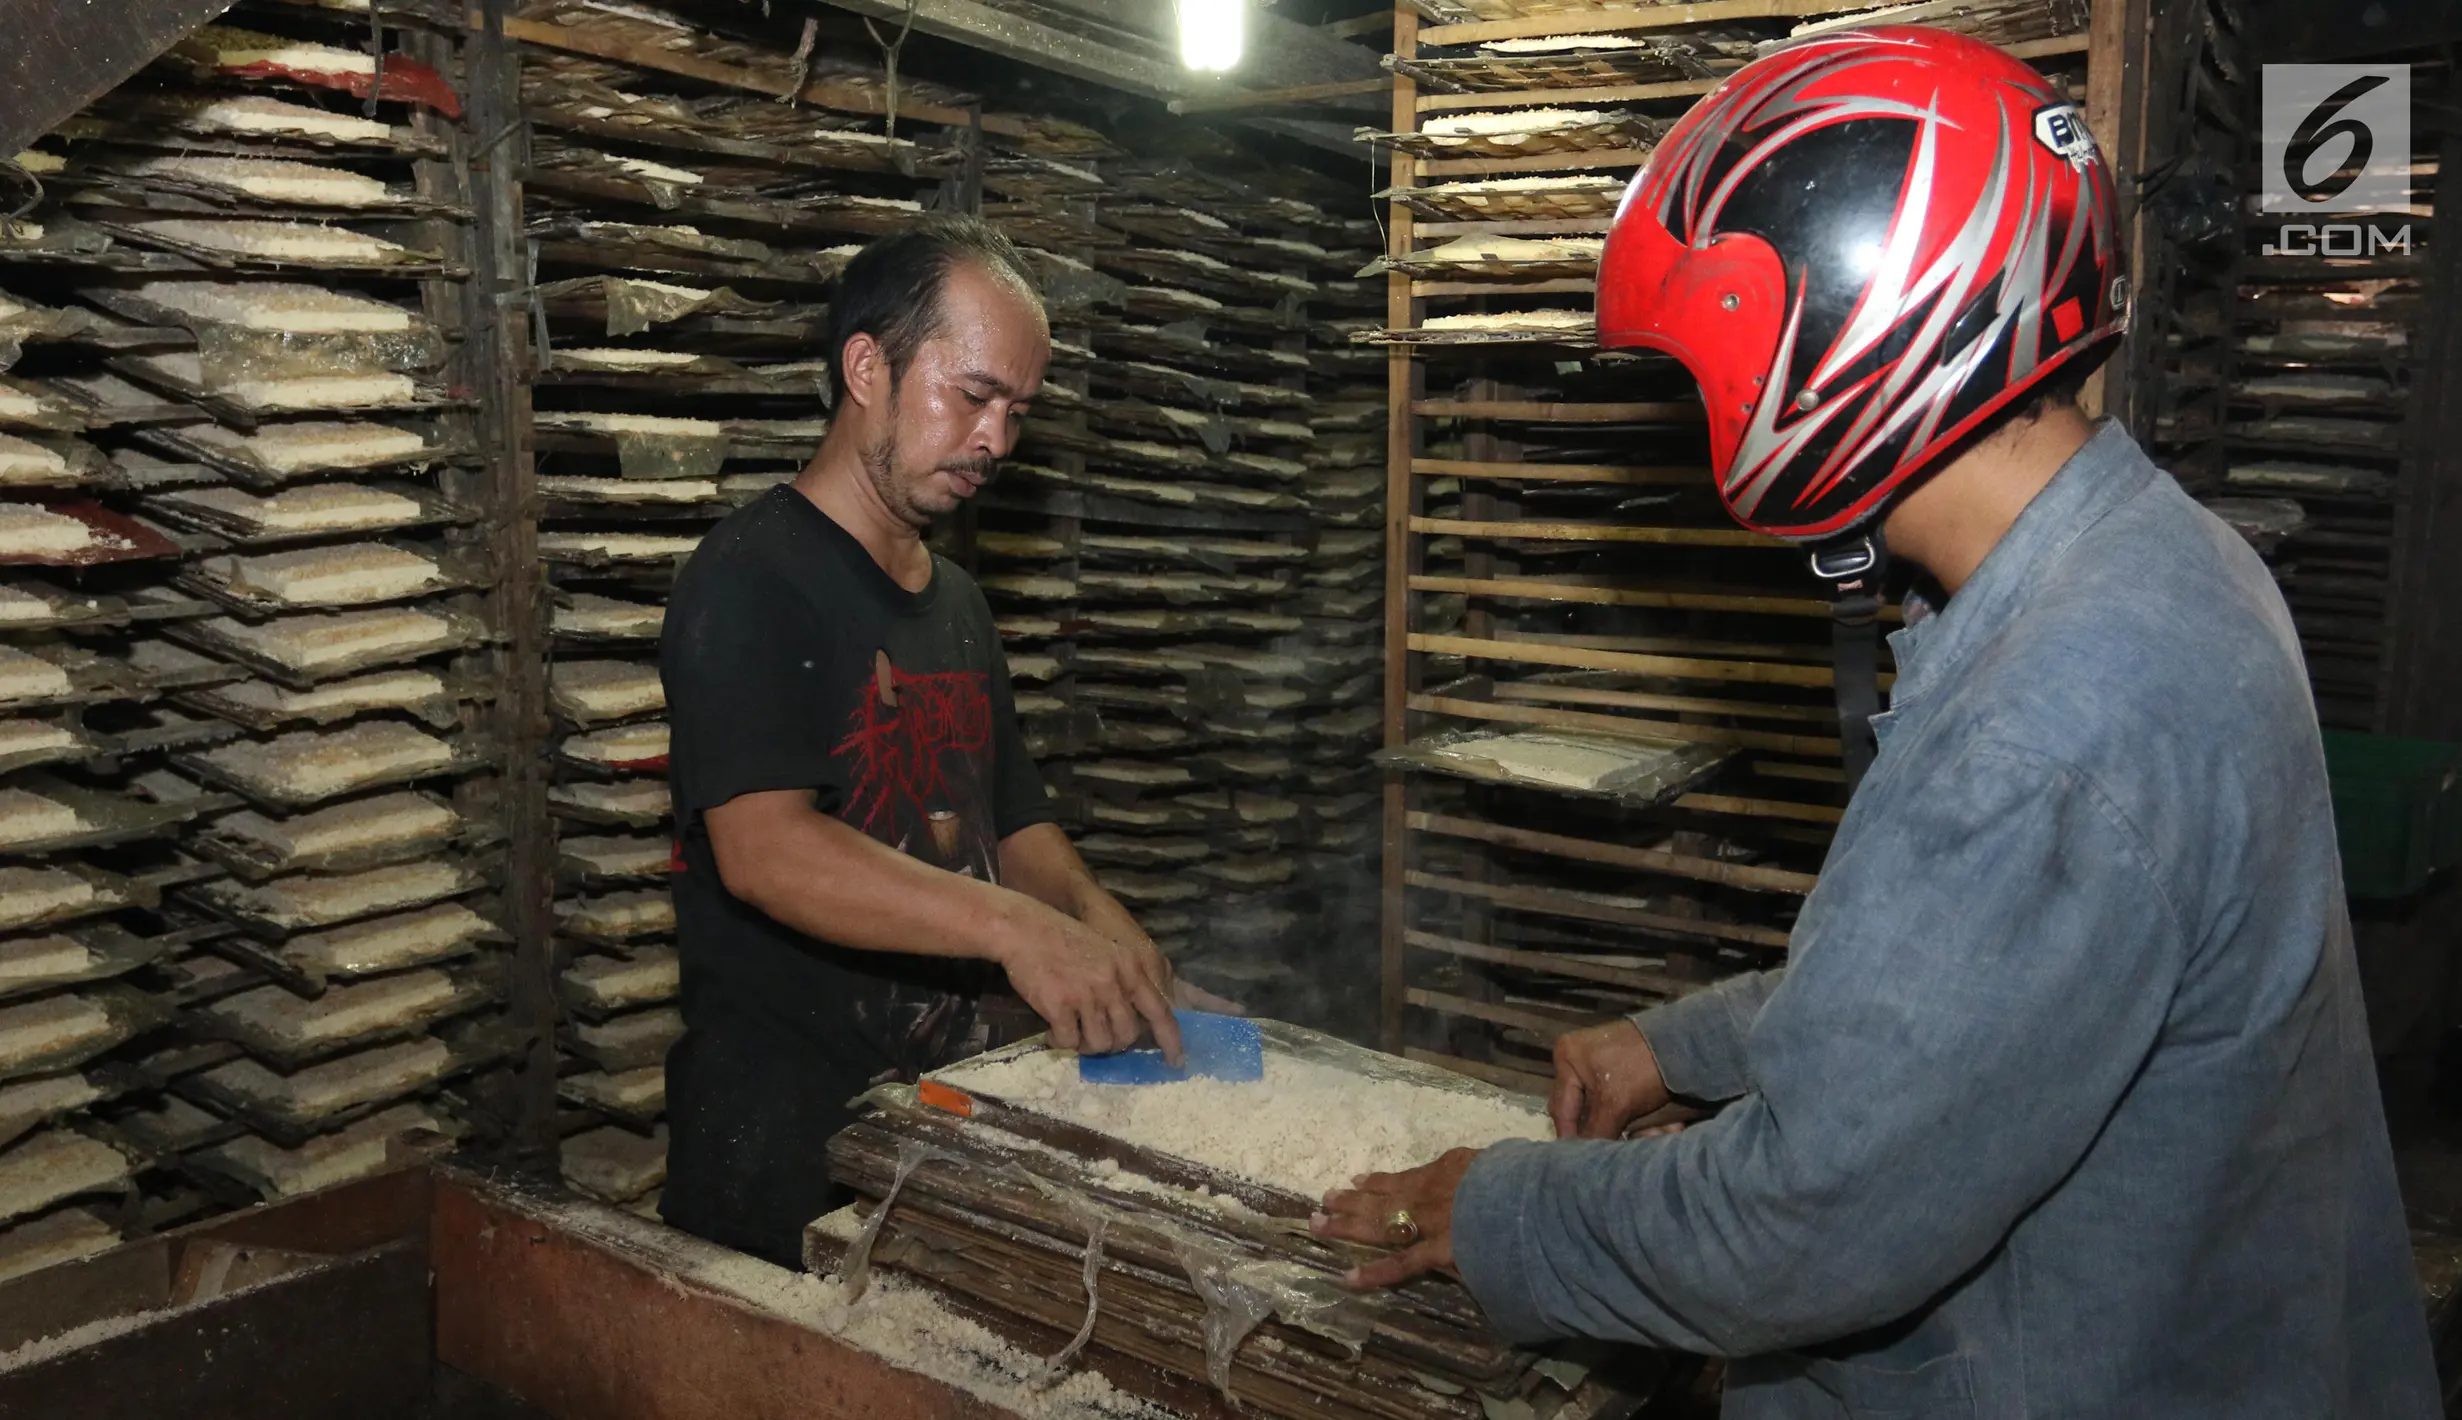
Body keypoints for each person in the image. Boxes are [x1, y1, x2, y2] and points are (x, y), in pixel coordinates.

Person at [1313, 27, 2441, 1417]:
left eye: (1699, 372)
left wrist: (1505, 1213)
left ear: (1836, 344)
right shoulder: (2163, 566)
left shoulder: (2050, 718)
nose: (1700, 416)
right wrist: (1687, 1046)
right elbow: (1985, 983)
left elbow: (1802, 1229)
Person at [658, 215, 1190, 1267]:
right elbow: (765, 850)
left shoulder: (954, 603)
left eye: (1017, 412)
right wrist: (1013, 931)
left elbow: (1015, 821)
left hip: (941, 1120)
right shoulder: (749, 580)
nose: (996, 440)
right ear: (867, 367)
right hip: (789, 1146)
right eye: (973, 395)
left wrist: (1092, 919)